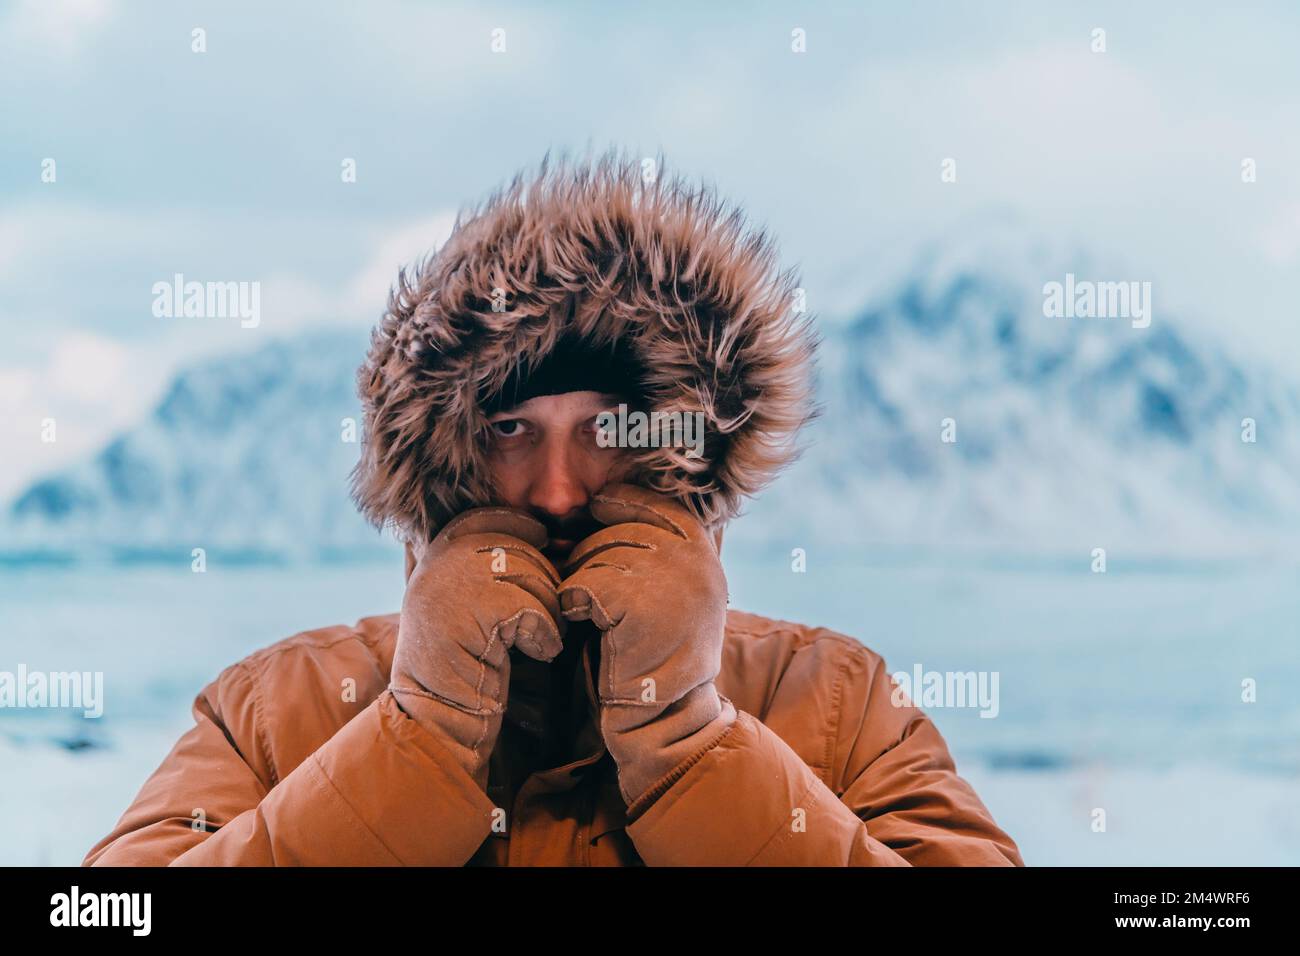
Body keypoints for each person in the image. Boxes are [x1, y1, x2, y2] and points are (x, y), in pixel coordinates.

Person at [83, 150, 1023, 866]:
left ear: (685, 451)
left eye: (608, 428)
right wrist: (417, 738)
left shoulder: (836, 702)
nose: (561, 488)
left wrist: (694, 746)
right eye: (510, 429)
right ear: (441, 461)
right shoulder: (277, 708)